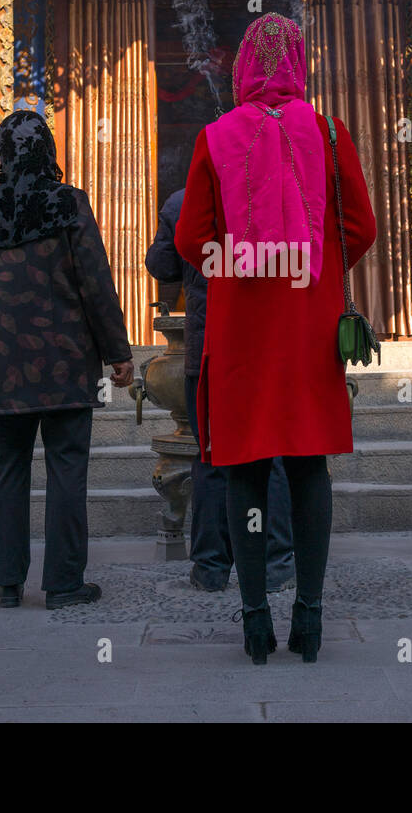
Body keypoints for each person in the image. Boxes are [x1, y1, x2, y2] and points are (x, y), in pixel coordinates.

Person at [175, 13, 376, 664]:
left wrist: (240, 267)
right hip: (309, 325)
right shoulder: (327, 129)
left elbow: (191, 239)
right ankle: (310, 617)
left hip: (241, 327)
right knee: (308, 462)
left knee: (245, 465)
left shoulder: (214, 135)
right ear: (298, 62)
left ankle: (254, 617)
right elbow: (361, 225)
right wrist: (311, 269)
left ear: (242, 68)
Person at [0, 110, 135, 610]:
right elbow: (95, 283)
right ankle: (64, 584)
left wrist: (4, 318)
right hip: (64, 365)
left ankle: (8, 584)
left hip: (1, 367)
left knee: (6, 469)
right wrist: (117, 353)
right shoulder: (68, 205)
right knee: (66, 468)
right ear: (47, 152)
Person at [145, 189, 296, 593]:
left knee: (210, 459)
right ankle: (276, 564)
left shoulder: (183, 202)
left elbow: (161, 265)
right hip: (264, 349)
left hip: (209, 350)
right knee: (273, 456)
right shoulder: (272, 195)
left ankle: (211, 568)